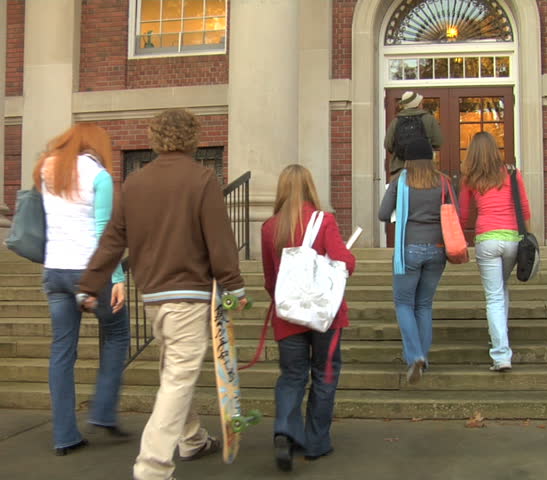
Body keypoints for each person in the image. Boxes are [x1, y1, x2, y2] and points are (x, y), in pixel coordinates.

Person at [77, 109, 247, 480]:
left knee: (173, 371)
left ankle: (191, 439)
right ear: (192, 138)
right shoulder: (202, 179)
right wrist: (234, 286)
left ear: (155, 138)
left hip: (152, 295)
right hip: (188, 293)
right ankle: (152, 467)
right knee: (178, 377)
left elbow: (112, 240)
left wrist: (89, 284)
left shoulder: (135, 183)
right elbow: (220, 241)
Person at [34, 123, 131, 456]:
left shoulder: (47, 169)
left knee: (62, 351)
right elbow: (104, 229)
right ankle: (103, 409)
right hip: (90, 271)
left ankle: (65, 435)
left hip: (55, 270)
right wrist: (117, 277)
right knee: (117, 334)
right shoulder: (98, 174)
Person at [261, 164, 356, 472]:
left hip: (288, 314)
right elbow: (345, 262)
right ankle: (316, 442)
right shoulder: (324, 221)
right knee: (325, 373)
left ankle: (286, 432)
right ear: (310, 188)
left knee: (292, 375)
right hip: (324, 315)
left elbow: (270, 279)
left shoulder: (269, 227)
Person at [378, 137, 449, 384]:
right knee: (424, 306)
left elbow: (382, 214)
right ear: (431, 159)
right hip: (438, 249)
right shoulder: (443, 182)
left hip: (408, 249)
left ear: (408, 160)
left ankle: (415, 355)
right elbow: (455, 214)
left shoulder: (401, 182)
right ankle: (423, 357)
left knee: (404, 304)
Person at [459, 132, 531, 372]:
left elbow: (463, 214)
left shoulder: (470, 178)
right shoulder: (512, 173)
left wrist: (456, 240)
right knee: (501, 288)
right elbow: (525, 209)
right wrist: (528, 238)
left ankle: (501, 354)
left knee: (494, 295)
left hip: (487, 240)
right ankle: (500, 339)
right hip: (512, 239)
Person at [384, 90, 443, 176]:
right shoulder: (429, 119)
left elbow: (388, 144)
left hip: (400, 169)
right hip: (424, 170)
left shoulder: (396, 121)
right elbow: (438, 142)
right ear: (418, 104)